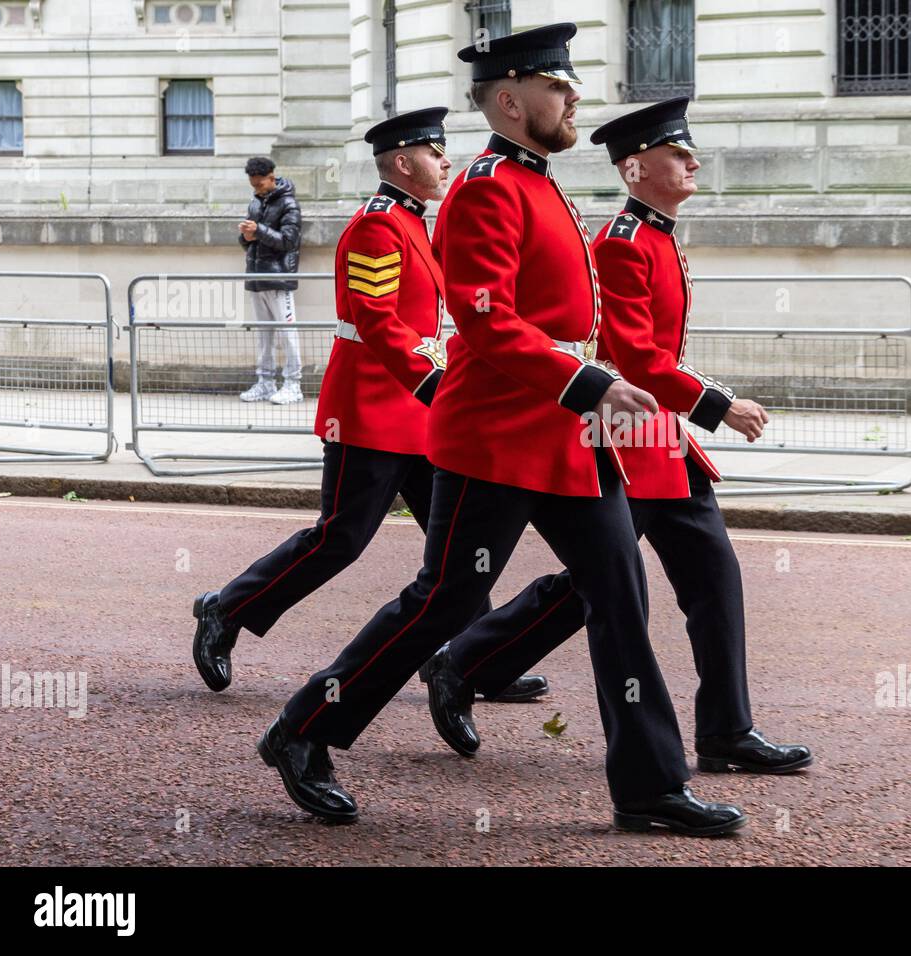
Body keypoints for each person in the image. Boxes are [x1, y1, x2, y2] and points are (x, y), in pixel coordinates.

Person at [256, 24, 746, 836]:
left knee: (619, 599)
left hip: (560, 439)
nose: (575, 96)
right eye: (559, 87)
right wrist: (590, 381)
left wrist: (592, 389)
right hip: (494, 437)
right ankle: (304, 727)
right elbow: (486, 323)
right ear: (513, 100)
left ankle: (650, 783)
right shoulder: (487, 187)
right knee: (442, 602)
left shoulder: (536, 182)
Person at [418, 97, 813, 778]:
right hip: (627, 440)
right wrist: (717, 404)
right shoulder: (623, 243)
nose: (693, 161)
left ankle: (725, 729)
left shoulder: (655, 236)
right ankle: (463, 660)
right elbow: (637, 360)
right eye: (677, 153)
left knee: (710, 579)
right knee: (596, 586)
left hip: (660, 441)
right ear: (636, 169)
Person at [192, 110, 546, 706]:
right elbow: (378, 322)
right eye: (436, 154)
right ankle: (227, 609)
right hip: (375, 409)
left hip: (423, 413)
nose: (446, 163)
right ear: (404, 162)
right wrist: (435, 382)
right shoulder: (378, 227)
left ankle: (475, 660)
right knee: (342, 538)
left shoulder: (415, 224)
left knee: (457, 550)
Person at [239, 157, 304, 405]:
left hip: (279, 278)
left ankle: (293, 384)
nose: (256, 189)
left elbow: (289, 240)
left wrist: (257, 231)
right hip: (257, 275)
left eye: (259, 184)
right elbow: (249, 242)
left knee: (288, 333)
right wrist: (246, 236)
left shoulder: (289, 204)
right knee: (264, 335)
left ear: (271, 176)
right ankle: (265, 383)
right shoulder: (255, 202)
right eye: (253, 185)